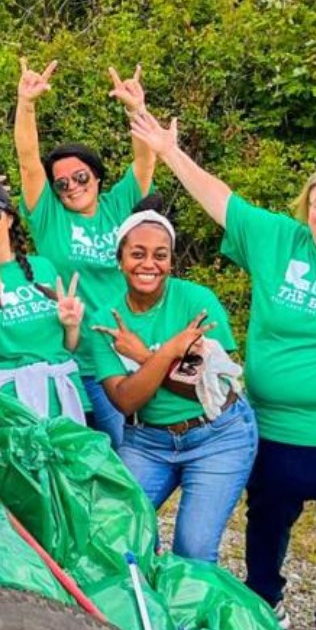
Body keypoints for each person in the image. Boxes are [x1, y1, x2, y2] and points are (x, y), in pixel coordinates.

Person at [134, 111, 316, 630]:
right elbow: (220, 199)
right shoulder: (279, 240)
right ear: (306, 209)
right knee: (267, 523)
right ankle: (263, 603)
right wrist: (167, 151)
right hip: (272, 427)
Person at [87, 202, 256, 561]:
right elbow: (125, 401)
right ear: (119, 259)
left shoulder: (196, 300)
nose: (149, 264)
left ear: (170, 261)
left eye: (160, 255)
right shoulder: (107, 319)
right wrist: (170, 353)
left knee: (192, 548)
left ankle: (192, 616)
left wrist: (145, 357)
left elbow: (210, 389)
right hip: (147, 440)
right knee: (117, 534)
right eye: (137, 253)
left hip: (216, 436)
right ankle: (143, 609)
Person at [14, 58, 157, 448]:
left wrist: (136, 110)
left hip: (124, 352)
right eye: (61, 183)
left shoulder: (118, 205)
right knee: (93, 453)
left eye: (80, 177)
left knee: (134, 452)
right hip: (77, 360)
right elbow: (29, 162)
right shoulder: (49, 217)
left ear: (96, 176)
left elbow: (145, 159)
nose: (72, 187)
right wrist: (26, 105)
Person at [0, 176, 88, 422]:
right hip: (7, 404)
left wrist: (71, 325)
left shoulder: (42, 268)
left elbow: (66, 347)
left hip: (63, 395)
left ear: (9, 218)